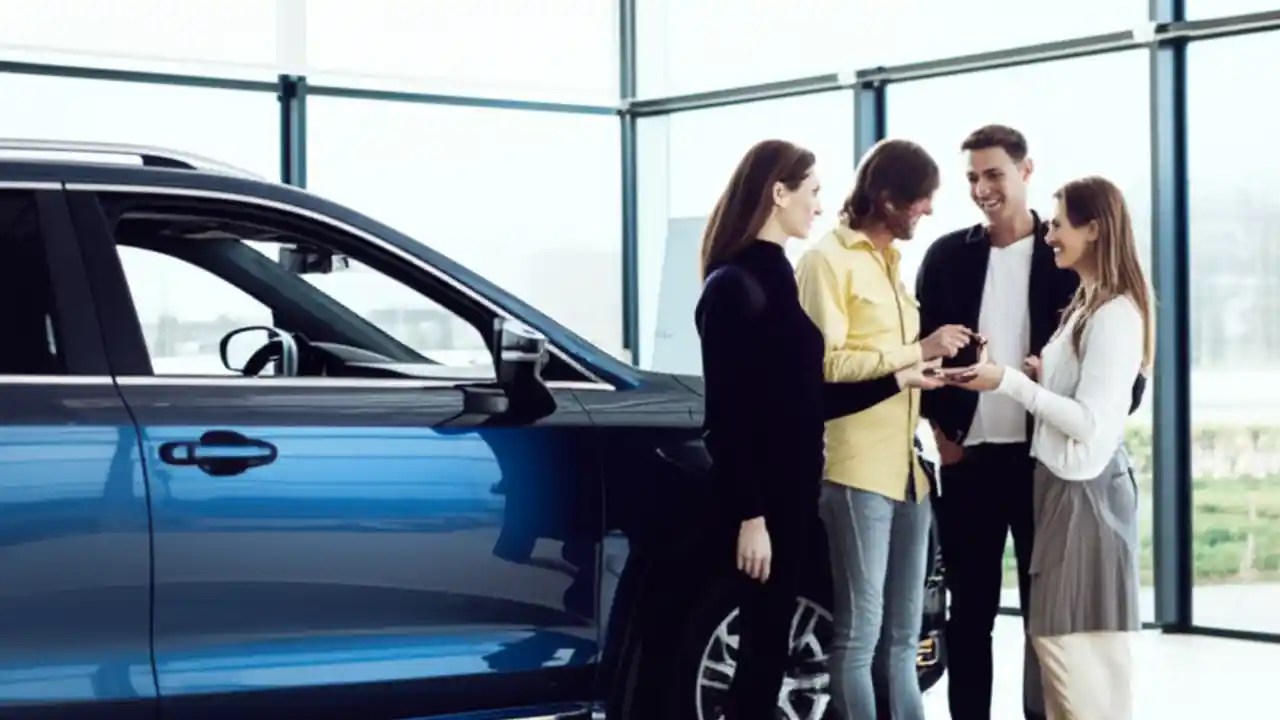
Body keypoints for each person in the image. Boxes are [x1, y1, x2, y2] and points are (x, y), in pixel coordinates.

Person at [693, 139, 941, 720]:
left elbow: (808, 399)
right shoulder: (733, 286)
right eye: (812, 192)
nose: (821, 206)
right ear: (778, 193)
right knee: (759, 655)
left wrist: (901, 379)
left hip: (794, 496)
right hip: (765, 507)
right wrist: (750, 517)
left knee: (771, 649)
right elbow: (726, 419)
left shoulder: (777, 275)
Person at [947, 175, 1152, 720]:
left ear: (1095, 229)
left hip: (1084, 500)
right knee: (1064, 659)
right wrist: (1039, 374)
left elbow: (1090, 423)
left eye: (1059, 224)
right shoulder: (1088, 305)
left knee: (1077, 665)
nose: (1050, 235)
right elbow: (1080, 395)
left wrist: (1009, 383)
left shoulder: (1114, 315)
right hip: (1062, 493)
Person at [794, 138, 971, 720]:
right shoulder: (827, 261)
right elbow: (824, 365)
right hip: (856, 471)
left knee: (904, 638)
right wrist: (914, 351)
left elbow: (895, 365)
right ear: (886, 196)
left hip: (909, 473)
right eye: (920, 199)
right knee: (859, 635)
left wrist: (931, 371)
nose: (927, 210)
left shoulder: (895, 267)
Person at [914, 123, 1062, 720]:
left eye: (994, 174)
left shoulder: (1064, 257)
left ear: (1026, 172)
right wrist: (946, 441)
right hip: (968, 463)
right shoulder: (948, 256)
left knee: (1042, 619)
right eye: (973, 177)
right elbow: (917, 349)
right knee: (968, 618)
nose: (982, 188)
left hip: (1041, 467)